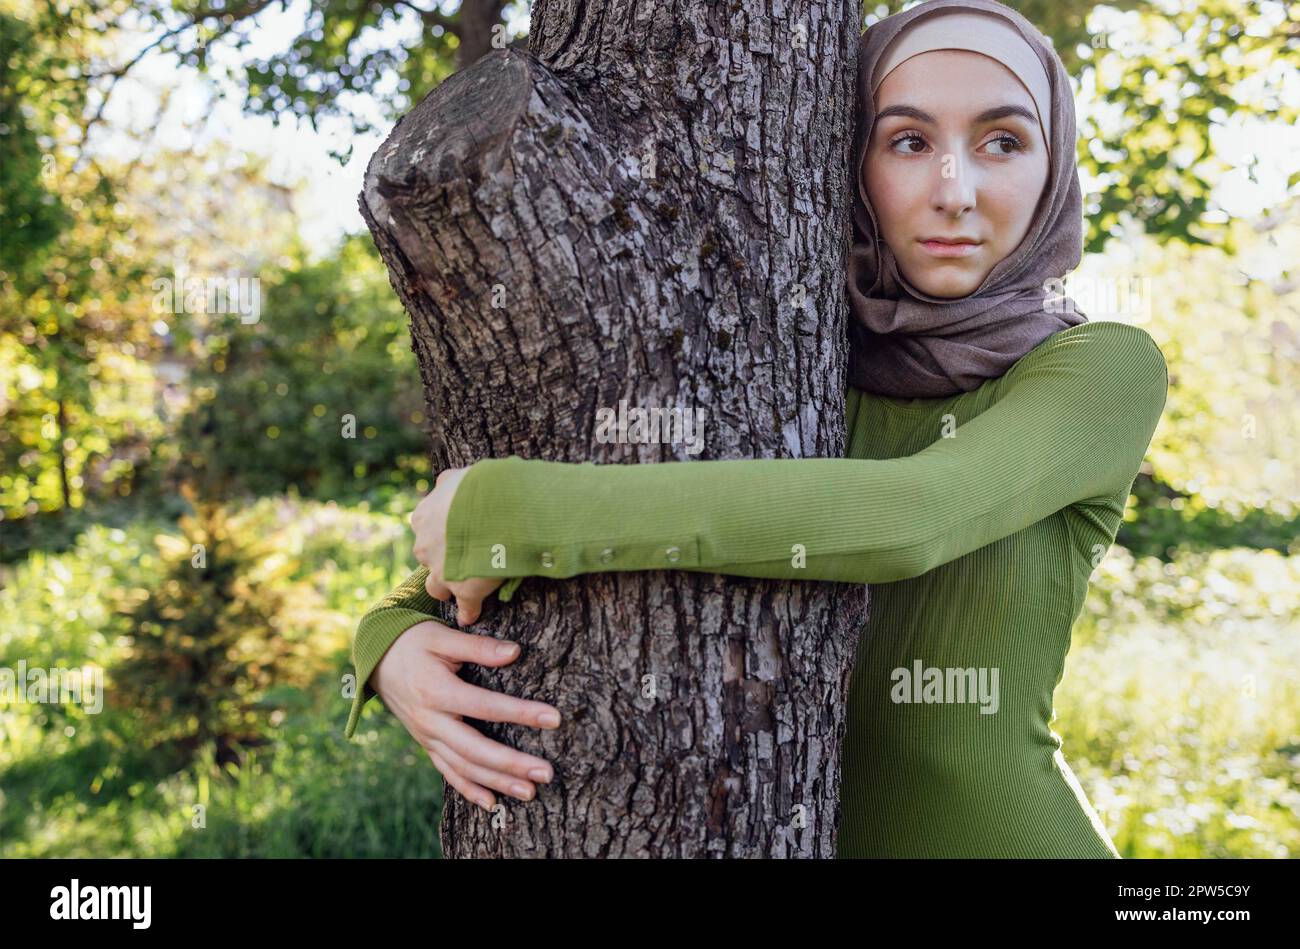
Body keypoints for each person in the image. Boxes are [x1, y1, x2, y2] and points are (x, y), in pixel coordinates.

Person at [344, 0, 1168, 858]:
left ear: (1054, 164)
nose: (954, 190)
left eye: (1003, 141)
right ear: (850, 161)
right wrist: (390, 642)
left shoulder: (1097, 369)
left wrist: (517, 512)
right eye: (908, 141)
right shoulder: (793, 355)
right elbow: (463, 562)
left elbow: (907, 516)